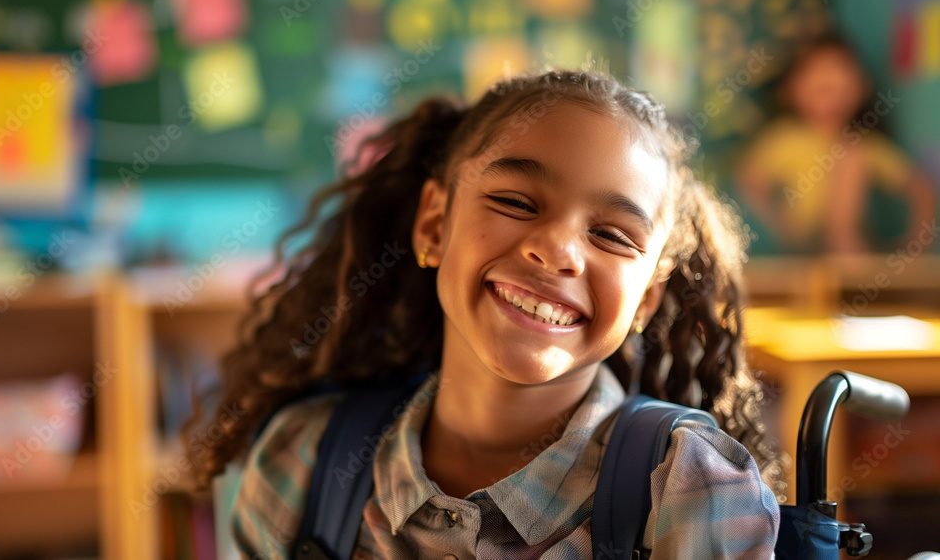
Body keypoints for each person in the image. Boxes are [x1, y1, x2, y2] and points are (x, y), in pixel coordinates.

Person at [187, 69, 785, 559]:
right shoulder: (301, 461)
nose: (557, 250)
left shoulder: (691, 492)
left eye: (612, 235)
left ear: (645, 302)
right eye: (514, 201)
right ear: (433, 226)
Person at [735, 35, 935, 254]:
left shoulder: (862, 143)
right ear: (791, 91)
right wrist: (780, 227)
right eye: (821, 90)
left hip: (849, 242)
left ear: (861, 90)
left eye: (843, 90)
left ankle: (844, 245)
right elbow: (750, 183)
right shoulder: (785, 138)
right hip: (799, 242)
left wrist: (915, 247)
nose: (832, 101)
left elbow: (921, 189)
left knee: (852, 154)